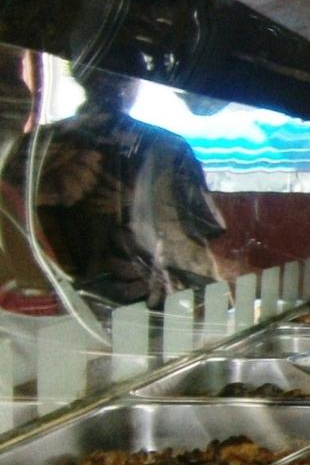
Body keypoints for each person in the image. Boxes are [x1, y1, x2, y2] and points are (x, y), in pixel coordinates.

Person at [21, 68, 225, 307]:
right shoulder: (167, 148)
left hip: (53, 308)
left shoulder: (34, 145)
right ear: (133, 82)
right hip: (146, 310)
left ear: (81, 76)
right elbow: (196, 247)